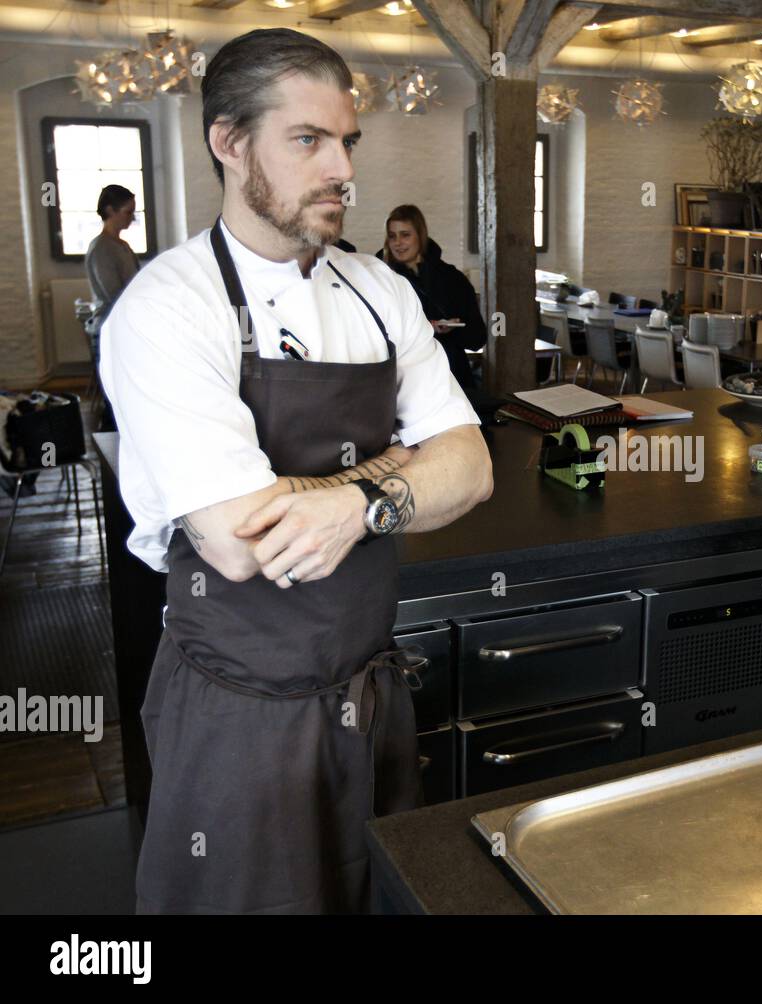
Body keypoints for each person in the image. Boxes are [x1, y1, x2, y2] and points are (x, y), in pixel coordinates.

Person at [99, 27, 493, 914]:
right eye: (308, 140)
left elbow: (470, 469)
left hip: (372, 696)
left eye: (347, 141)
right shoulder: (167, 310)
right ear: (230, 144)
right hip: (241, 718)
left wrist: (350, 508)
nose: (341, 169)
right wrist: (400, 468)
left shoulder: (381, 291)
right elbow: (243, 543)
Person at [377, 205, 487, 393]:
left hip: (450, 377)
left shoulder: (452, 279)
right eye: (392, 235)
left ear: (420, 235)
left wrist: (453, 329)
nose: (398, 243)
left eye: (405, 235)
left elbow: (478, 338)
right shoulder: (379, 279)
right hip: (402, 381)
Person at [84, 184, 140, 367]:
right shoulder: (101, 248)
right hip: (110, 326)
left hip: (125, 322)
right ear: (110, 211)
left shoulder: (123, 246)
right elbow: (114, 294)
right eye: (127, 212)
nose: (132, 218)